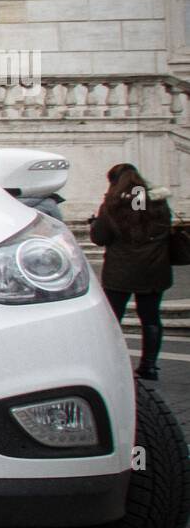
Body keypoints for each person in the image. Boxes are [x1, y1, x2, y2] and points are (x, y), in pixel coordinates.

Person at [89, 162, 174, 381]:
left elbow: (100, 238)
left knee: (112, 319)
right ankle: (150, 366)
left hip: (121, 270)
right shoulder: (158, 204)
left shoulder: (113, 206)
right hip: (154, 269)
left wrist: (95, 223)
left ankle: (110, 363)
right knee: (151, 319)